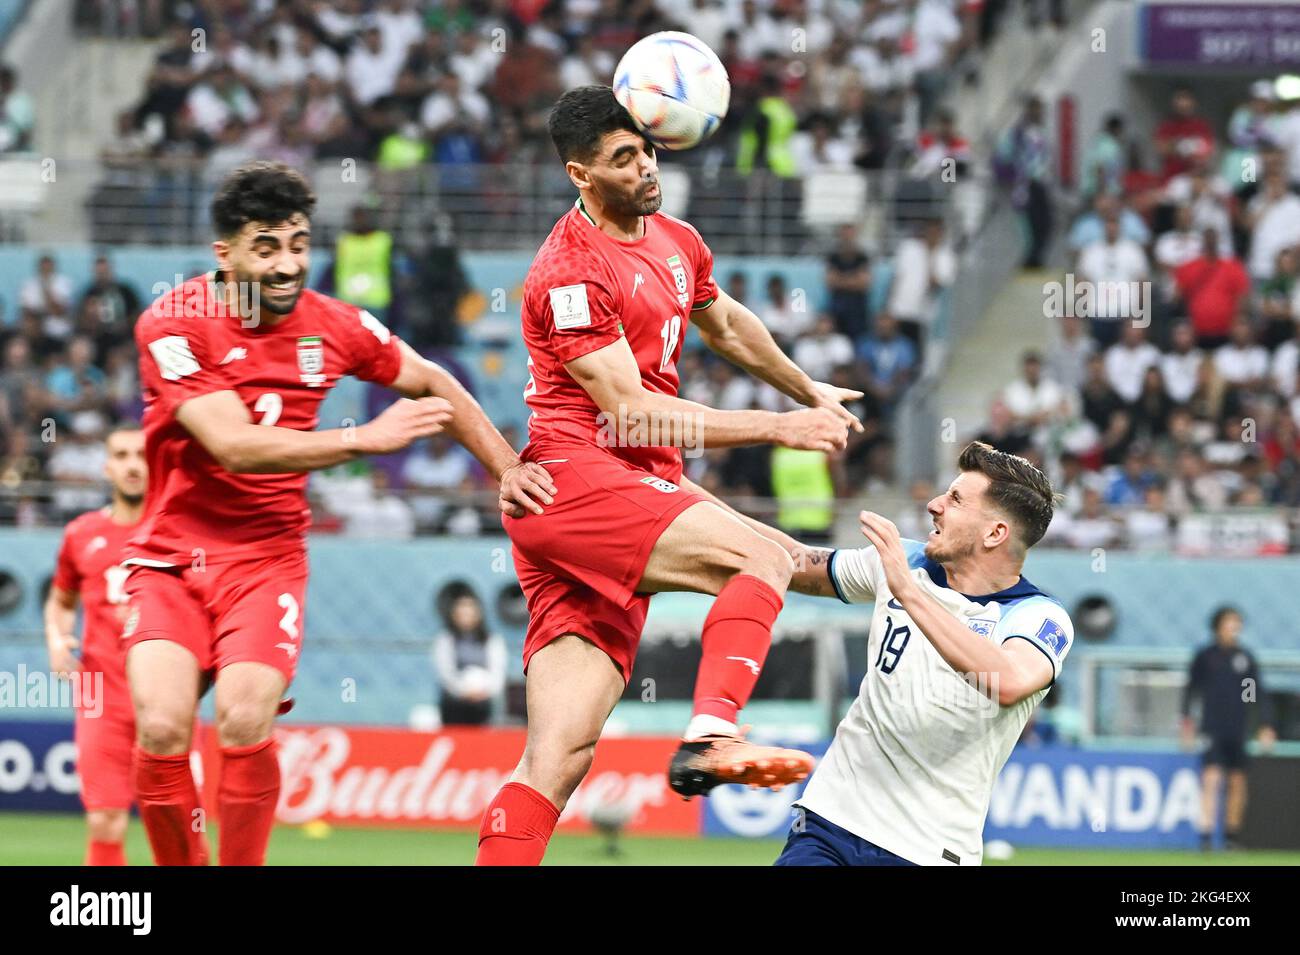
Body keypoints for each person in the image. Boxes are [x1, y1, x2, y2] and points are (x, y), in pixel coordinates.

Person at [121, 161, 554, 866]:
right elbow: (232, 444)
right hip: (171, 555)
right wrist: (361, 438)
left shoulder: (338, 325)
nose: (289, 262)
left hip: (263, 562)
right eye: (267, 247)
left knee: (241, 715)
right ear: (224, 253)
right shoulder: (173, 324)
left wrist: (511, 468)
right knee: (164, 726)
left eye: (297, 242)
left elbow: (435, 380)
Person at [475, 86, 858, 866]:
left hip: (620, 491)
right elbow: (632, 411)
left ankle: (917, 579)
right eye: (623, 159)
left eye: (647, 149)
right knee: (765, 557)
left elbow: (725, 325)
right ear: (581, 175)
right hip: (578, 478)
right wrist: (781, 428)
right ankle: (712, 735)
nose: (646, 166)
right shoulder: (569, 271)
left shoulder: (675, 239)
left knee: (559, 758)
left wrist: (807, 387)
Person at [775, 442, 1074, 865]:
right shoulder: (907, 562)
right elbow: (792, 562)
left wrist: (908, 591)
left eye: (954, 499)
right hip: (831, 821)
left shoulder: (1038, 616)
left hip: (928, 850)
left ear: (994, 533)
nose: (934, 505)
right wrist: (681, 502)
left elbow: (1007, 682)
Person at [44, 424, 154, 866]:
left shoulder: (179, 534)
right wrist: (56, 639)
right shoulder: (80, 534)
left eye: (142, 456)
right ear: (107, 467)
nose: (132, 465)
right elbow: (61, 599)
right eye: (122, 455)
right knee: (105, 821)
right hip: (99, 695)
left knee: (183, 818)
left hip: (166, 697)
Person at [1181, 606, 1276, 851]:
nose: (1234, 627)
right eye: (1229, 622)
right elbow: (1191, 690)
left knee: (1236, 782)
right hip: (1212, 728)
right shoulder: (1206, 657)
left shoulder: (1244, 658)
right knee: (1211, 779)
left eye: (1237, 623)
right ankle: (1206, 835)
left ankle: (1231, 837)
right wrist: (1187, 722)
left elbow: (1253, 694)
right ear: (1218, 625)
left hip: (1238, 728)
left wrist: (1264, 724)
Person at [432, 589, 507, 726]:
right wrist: (463, 691)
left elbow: (497, 674)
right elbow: (446, 673)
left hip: (483, 703)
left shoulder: (492, 640)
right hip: (455, 704)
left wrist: (483, 692)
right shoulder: (446, 640)